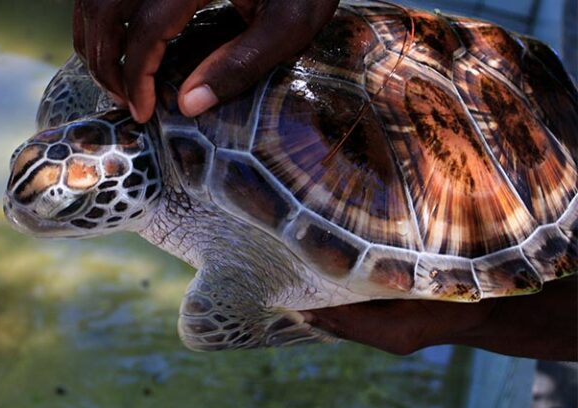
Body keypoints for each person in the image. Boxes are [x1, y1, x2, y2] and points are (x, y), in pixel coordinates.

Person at [72, 0, 578, 361]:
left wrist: (480, 318)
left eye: (71, 208)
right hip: (470, 55)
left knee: (209, 326)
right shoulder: (102, 103)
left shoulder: (238, 266)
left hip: (524, 160)